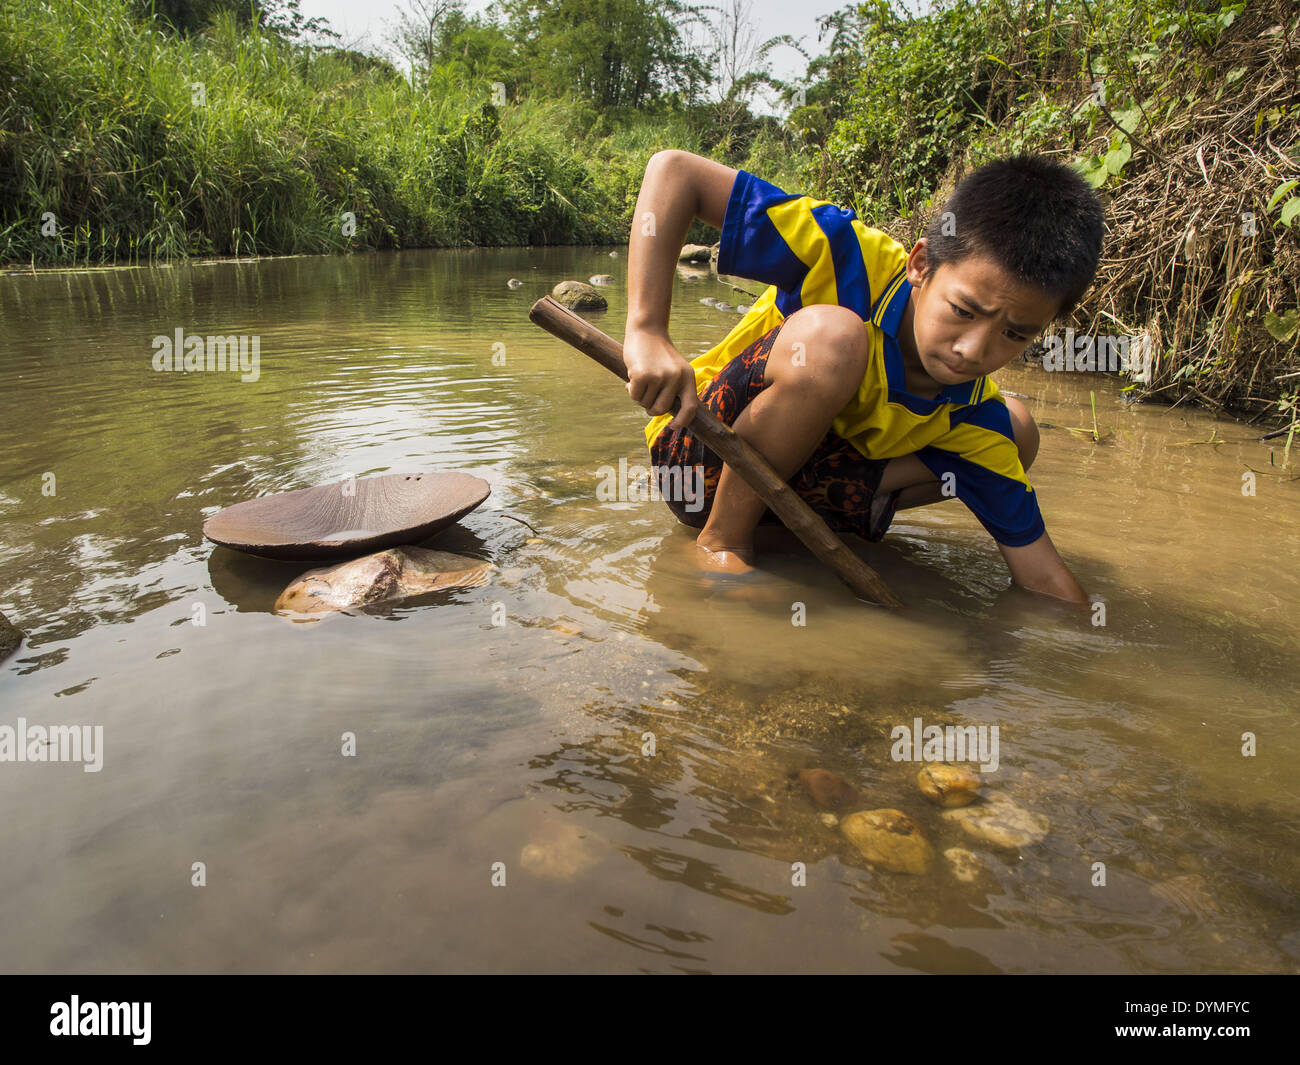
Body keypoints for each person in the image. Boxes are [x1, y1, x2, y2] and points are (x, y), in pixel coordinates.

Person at [623, 149, 1105, 603]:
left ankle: (794, 536)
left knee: (1015, 432)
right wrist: (647, 330)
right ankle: (722, 542)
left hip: (801, 501)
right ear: (921, 264)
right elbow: (674, 172)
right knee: (834, 339)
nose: (973, 350)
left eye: (1014, 335)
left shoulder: (972, 413)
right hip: (698, 460)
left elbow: (1042, 575)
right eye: (962, 310)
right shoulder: (846, 256)